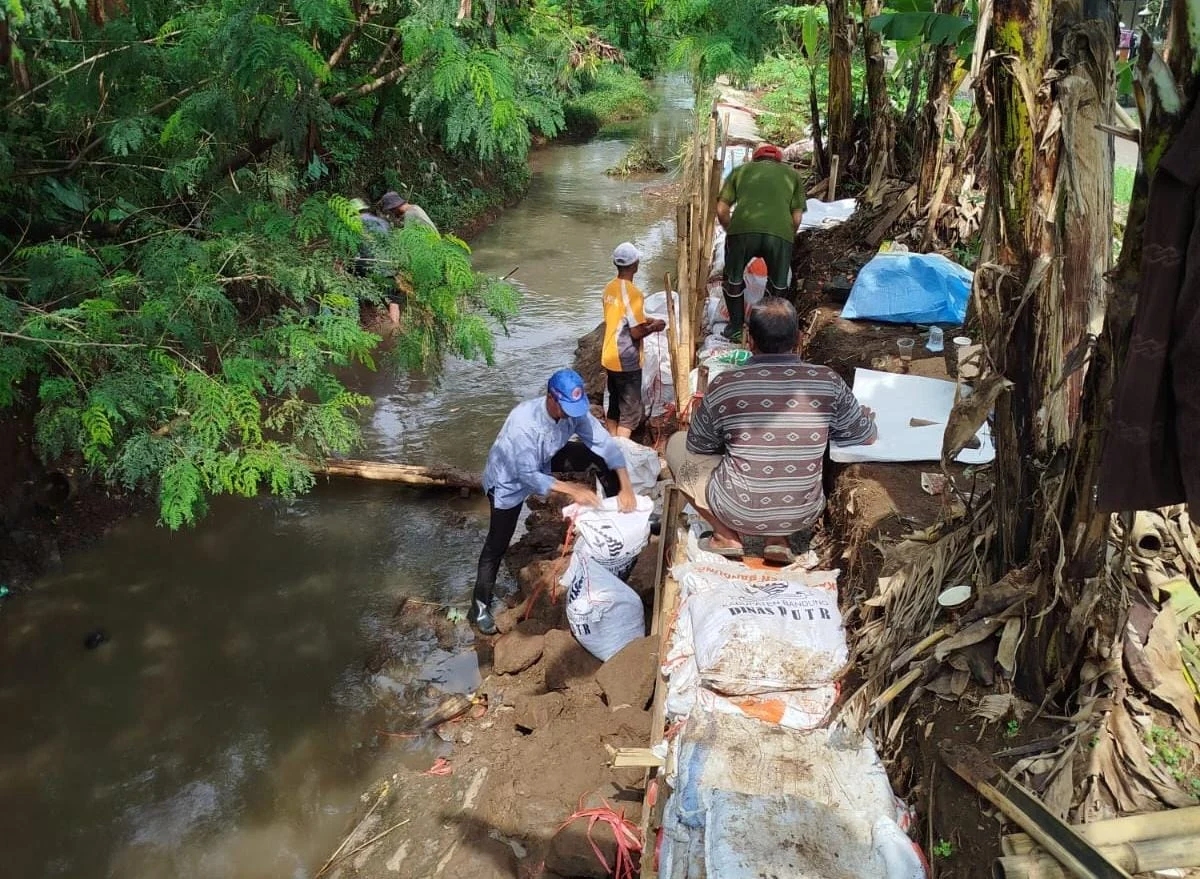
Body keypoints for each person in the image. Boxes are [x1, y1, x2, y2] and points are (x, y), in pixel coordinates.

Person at [665, 298, 877, 565]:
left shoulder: (726, 384)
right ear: (799, 339)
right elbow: (864, 436)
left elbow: (698, 446)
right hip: (803, 512)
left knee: (676, 444)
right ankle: (780, 541)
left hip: (736, 509)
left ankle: (726, 536)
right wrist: (865, 418)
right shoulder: (827, 381)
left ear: (750, 341)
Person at [472, 369, 638, 634]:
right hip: (508, 481)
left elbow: (605, 445)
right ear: (551, 398)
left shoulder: (574, 412)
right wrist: (572, 490)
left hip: (545, 459)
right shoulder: (524, 424)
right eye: (567, 408)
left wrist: (626, 487)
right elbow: (527, 476)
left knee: (598, 458)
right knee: (496, 545)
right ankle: (479, 606)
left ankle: (619, 516)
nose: (573, 415)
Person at [715, 144, 806, 341]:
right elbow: (797, 218)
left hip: (743, 230)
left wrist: (731, 230)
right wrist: (787, 237)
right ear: (779, 160)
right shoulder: (793, 175)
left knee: (733, 278)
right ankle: (769, 332)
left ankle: (736, 328)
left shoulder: (740, 171)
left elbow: (721, 209)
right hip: (780, 234)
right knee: (778, 285)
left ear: (755, 158)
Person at [601, 242, 666, 438]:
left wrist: (646, 319)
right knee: (630, 415)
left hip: (609, 355)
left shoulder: (609, 288)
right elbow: (636, 333)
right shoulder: (634, 293)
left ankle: (611, 446)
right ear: (635, 264)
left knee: (614, 405)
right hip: (626, 359)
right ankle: (622, 456)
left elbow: (620, 317)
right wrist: (655, 326)